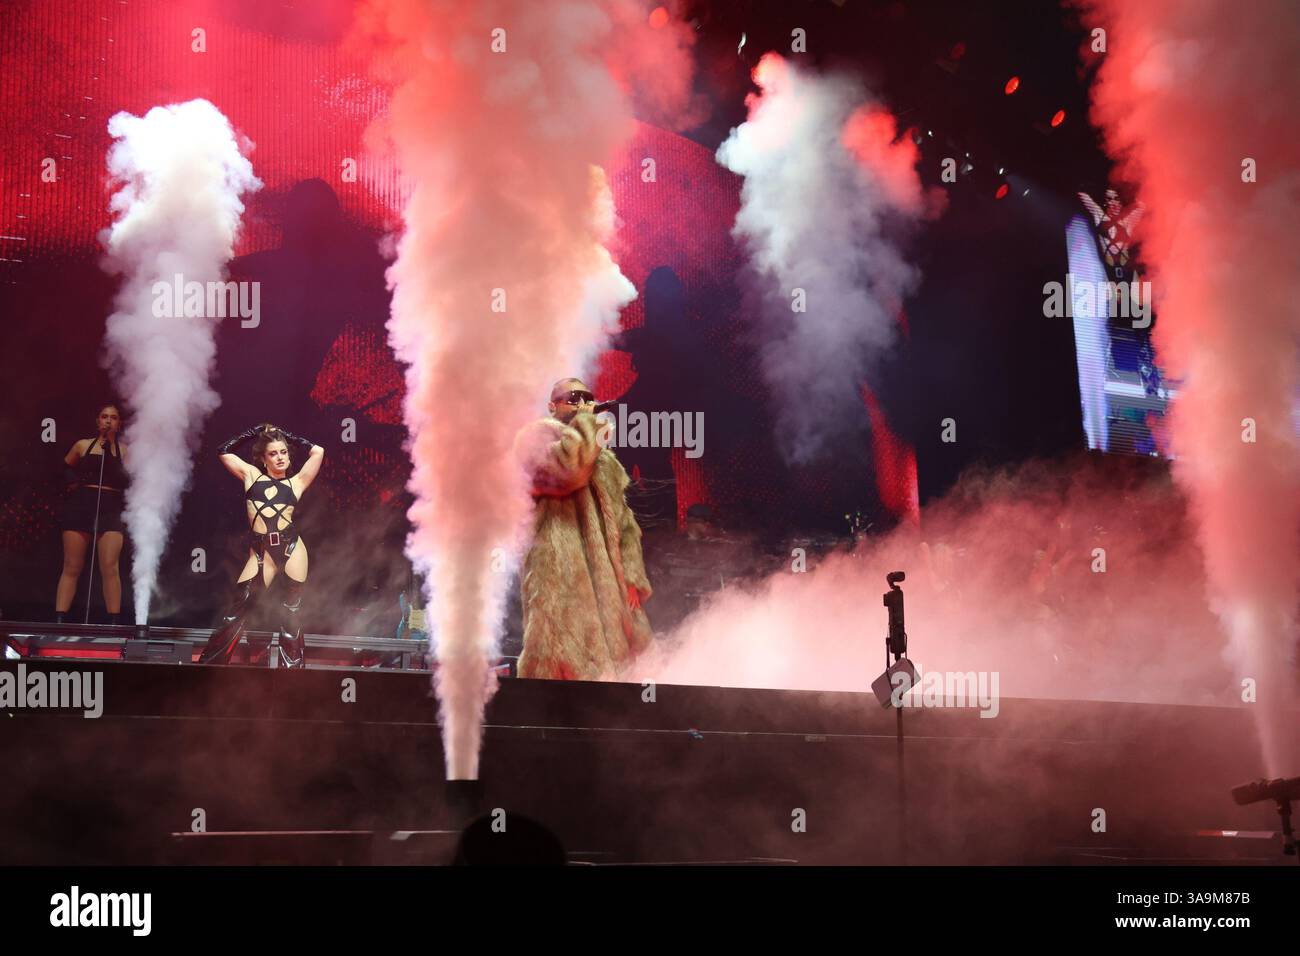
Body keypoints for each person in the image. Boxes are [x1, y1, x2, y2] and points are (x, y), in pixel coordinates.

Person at [512, 378, 653, 679]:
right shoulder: (535, 439)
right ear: (552, 406)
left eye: (586, 398)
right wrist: (587, 422)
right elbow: (570, 469)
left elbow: (626, 525)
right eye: (572, 397)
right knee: (559, 661)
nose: (580, 403)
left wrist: (632, 578)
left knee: (615, 671)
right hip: (559, 575)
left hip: (607, 583)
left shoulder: (605, 462)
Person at [197, 423, 324, 667]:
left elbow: (317, 451)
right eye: (273, 453)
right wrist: (255, 432)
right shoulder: (251, 475)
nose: (280, 457)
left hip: (291, 548)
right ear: (263, 459)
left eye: (284, 452)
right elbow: (223, 450)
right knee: (237, 608)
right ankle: (209, 666)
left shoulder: (296, 482)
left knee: (291, 612)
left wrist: (286, 434)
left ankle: (293, 672)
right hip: (261, 552)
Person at [55, 404, 127, 624]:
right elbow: (65, 467)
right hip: (82, 505)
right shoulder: (82, 445)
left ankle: (114, 622)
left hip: (112, 506)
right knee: (72, 565)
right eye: (104, 416)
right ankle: (60, 619)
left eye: (113, 417)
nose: (108, 421)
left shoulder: (125, 450)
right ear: (98, 421)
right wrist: (73, 484)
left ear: (119, 423)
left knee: (109, 565)